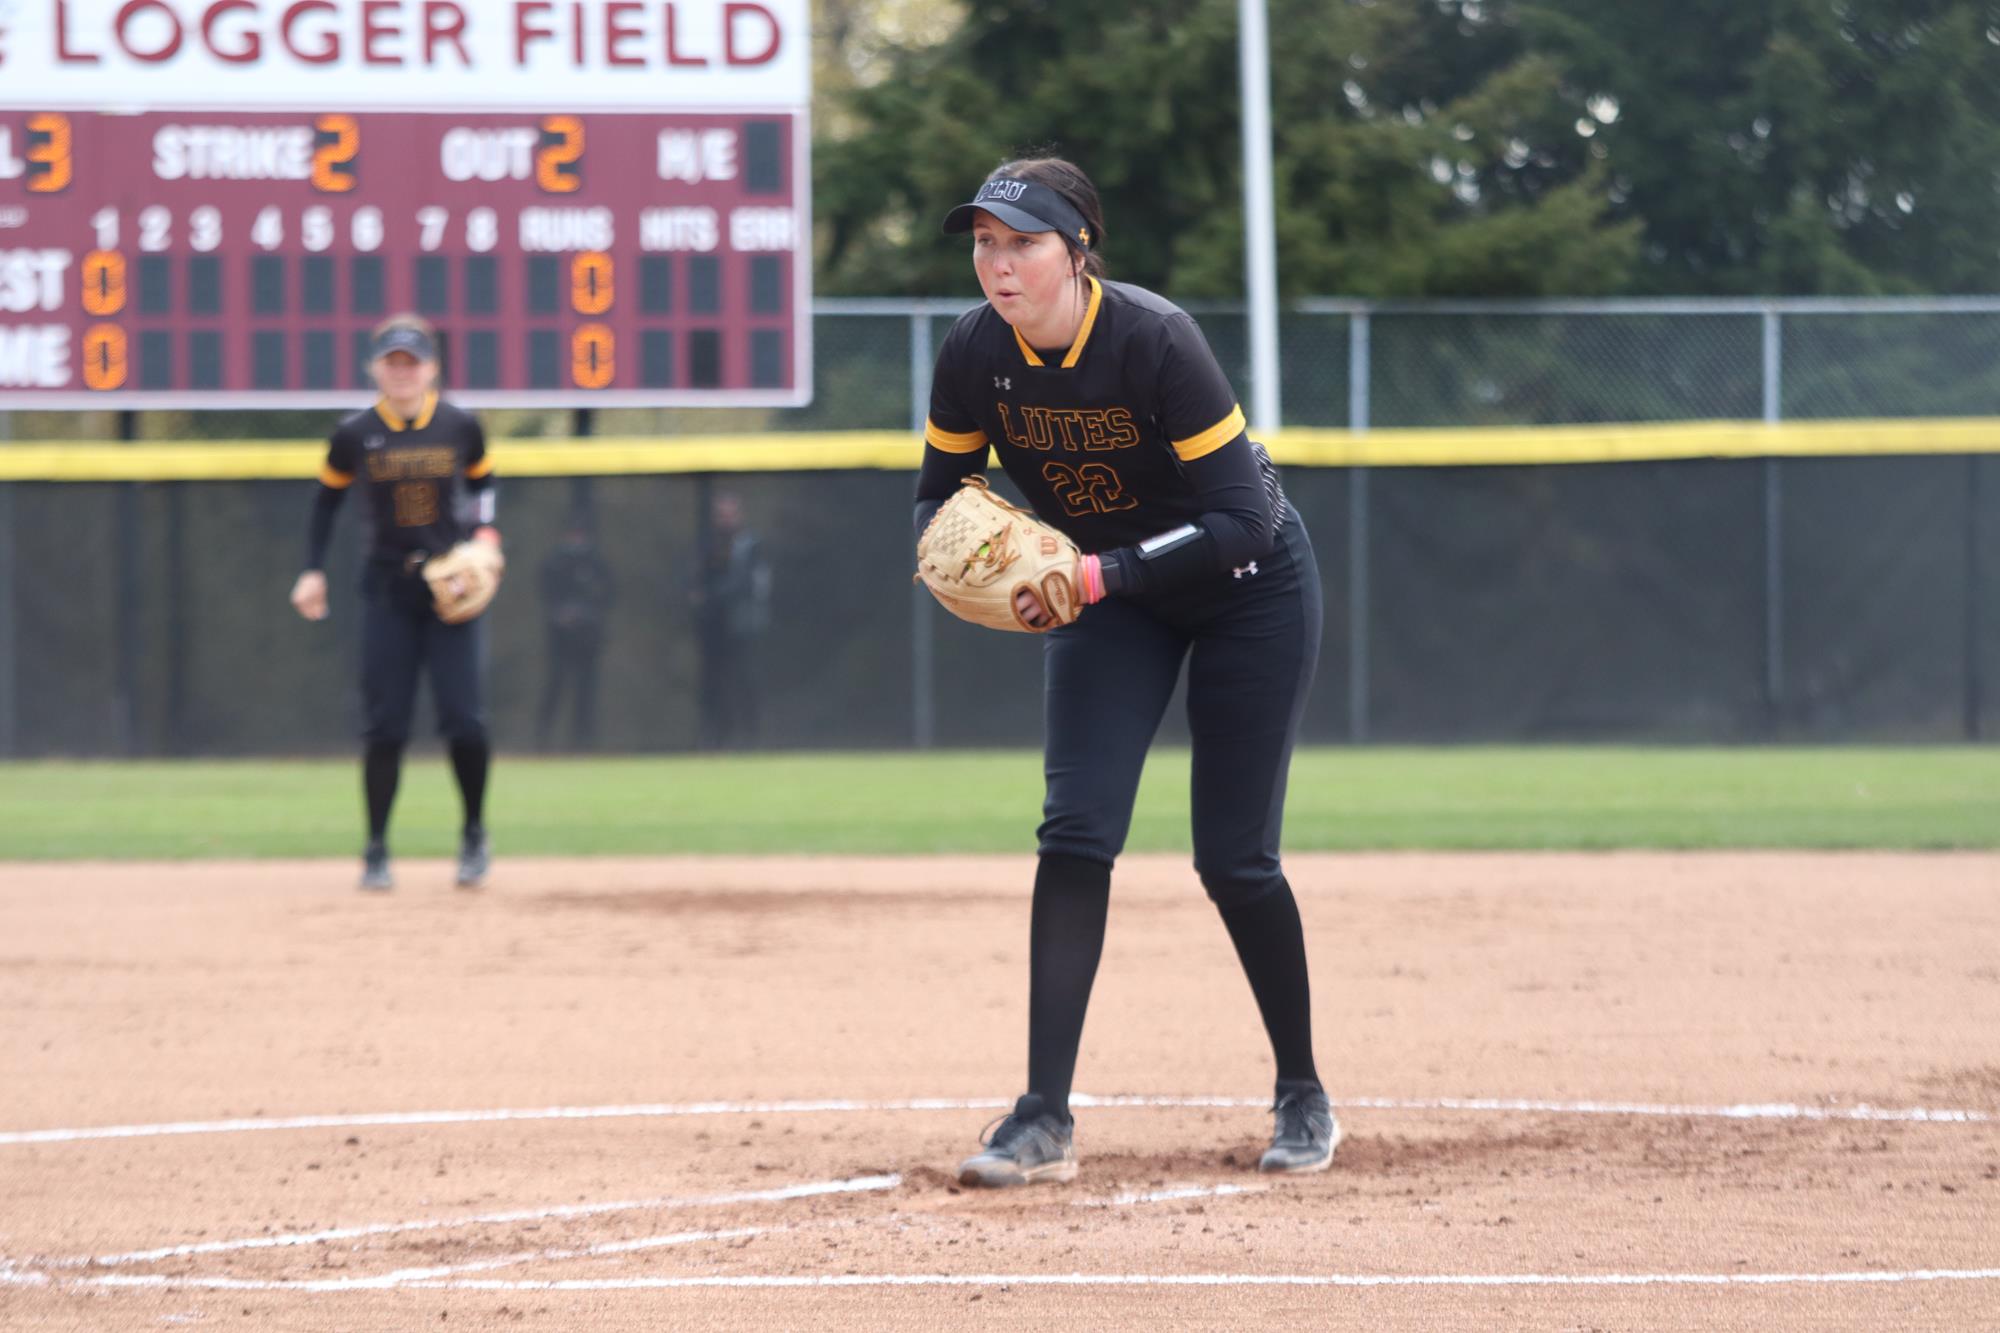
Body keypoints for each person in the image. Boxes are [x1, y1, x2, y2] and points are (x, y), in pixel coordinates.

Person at [917, 158, 1335, 1186]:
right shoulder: (976, 351)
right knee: (1075, 834)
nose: (998, 264)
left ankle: (1301, 1090)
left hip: (1248, 589)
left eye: (1020, 243)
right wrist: (956, 560)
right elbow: (939, 493)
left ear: (1075, 251)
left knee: (1233, 858)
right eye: (984, 243)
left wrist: (1098, 571)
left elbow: (1242, 517)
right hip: (1104, 601)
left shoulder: (1152, 337)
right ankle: (1041, 1117)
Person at [289, 314, 502, 891]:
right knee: (385, 727)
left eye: (412, 362)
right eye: (393, 363)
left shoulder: (460, 425)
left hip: (449, 592)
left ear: (431, 369)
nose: (403, 372)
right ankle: (377, 848)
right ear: (376, 370)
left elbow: (484, 486)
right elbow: (325, 502)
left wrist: (487, 539)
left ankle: (474, 835)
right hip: (387, 590)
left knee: (465, 720)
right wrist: (312, 569)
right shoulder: (354, 433)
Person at [690, 492, 772, 750]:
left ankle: (751, 737)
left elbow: (751, 583)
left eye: (730, 514)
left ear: (740, 516)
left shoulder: (751, 546)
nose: (725, 519)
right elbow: (695, 581)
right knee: (714, 683)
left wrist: (716, 595)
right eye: (721, 514)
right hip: (714, 629)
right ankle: (715, 738)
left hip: (742, 626)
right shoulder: (708, 545)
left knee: (745, 680)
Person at [537, 516, 616, 750]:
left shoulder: (597, 563)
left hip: (588, 637)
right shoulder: (554, 563)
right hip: (559, 637)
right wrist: (560, 614)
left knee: (586, 687)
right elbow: (546, 593)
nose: (576, 539)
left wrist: (586, 613)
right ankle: (543, 737)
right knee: (556, 683)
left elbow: (609, 594)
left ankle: (583, 739)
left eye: (580, 534)